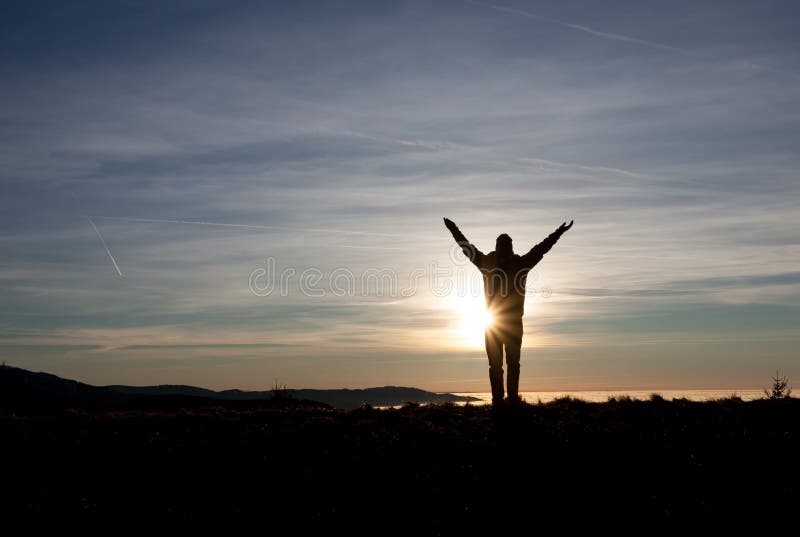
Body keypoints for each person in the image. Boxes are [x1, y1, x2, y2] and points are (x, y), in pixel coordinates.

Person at [443, 217, 574, 404]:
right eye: (504, 246)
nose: (505, 249)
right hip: (498, 323)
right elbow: (541, 248)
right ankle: (504, 399)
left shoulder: (495, 263)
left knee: (505, 365)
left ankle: (506, 400)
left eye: (506, 246)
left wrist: (559, 232)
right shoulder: (509, 263)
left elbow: (466, 246)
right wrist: (453, 228)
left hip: (499, 324)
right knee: (503, 365)